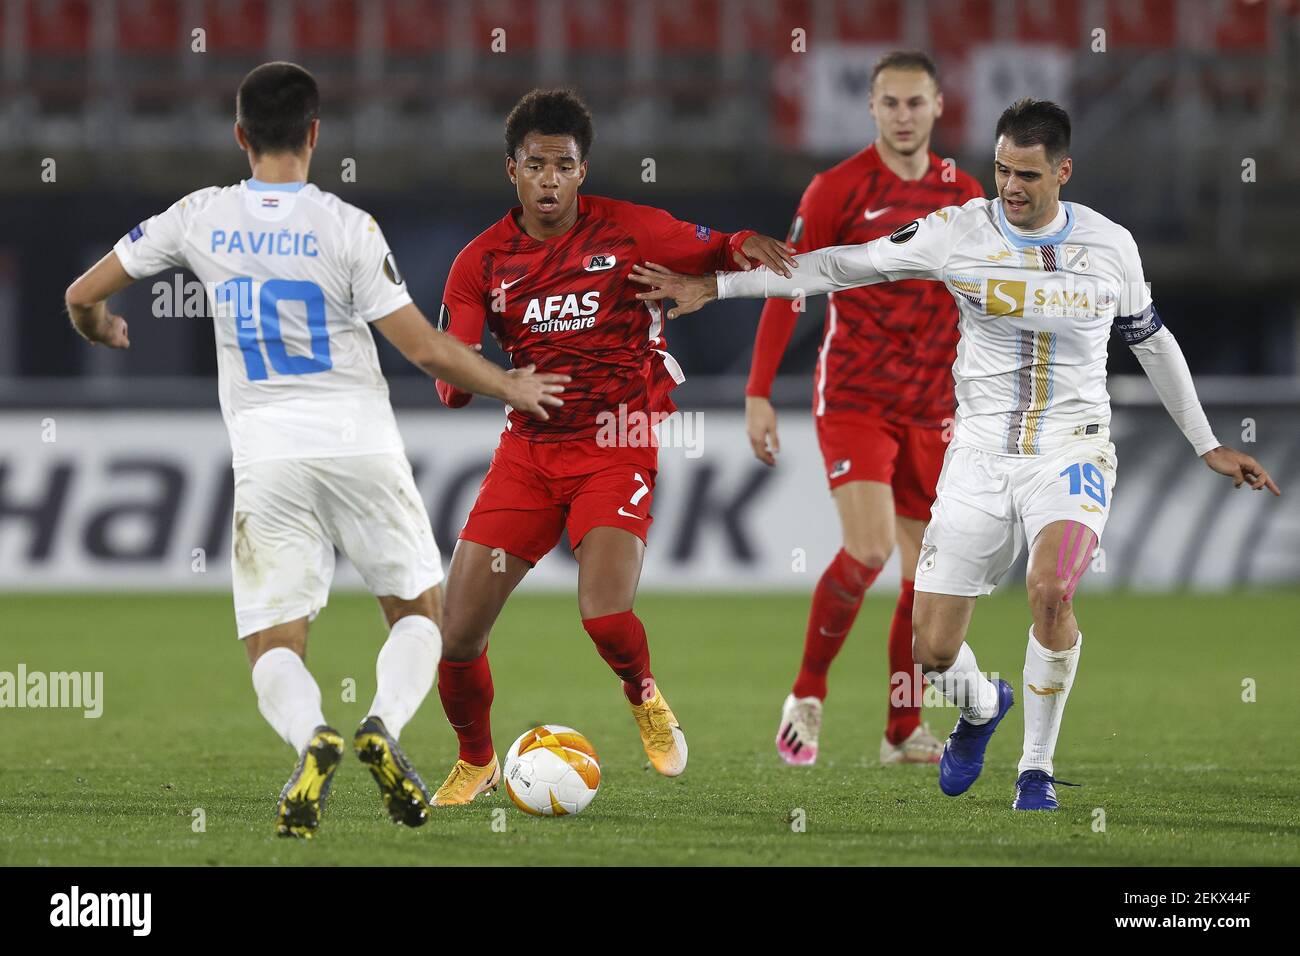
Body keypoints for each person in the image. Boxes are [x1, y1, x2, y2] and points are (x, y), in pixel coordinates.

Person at [629, 98, 1280, 810]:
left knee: (1052, 590)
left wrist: (1207, 442)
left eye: (1027, 174)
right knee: (932, 654)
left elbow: (1151, 340)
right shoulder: (957, 232)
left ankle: (1035, 769)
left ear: (1063, 172)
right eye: (1001, 170)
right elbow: (837, 267)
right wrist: (715, 284)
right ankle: (979, 705)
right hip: (974, 455)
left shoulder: (1110, 246)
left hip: (1072, 450)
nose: (1010, 187)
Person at [62, 62, 566, 837]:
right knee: (420, 614)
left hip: (266, 458)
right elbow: (427, 351)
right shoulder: (346, 226)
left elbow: (81, 295)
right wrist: (511, 385)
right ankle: (381, 725)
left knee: (273, 641)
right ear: (315, 134)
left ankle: (312, 739)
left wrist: (100, 326)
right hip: (359, 445)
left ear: (240, 135)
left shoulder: (198, 215)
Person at [430, 88, 796, 804]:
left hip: (616, 443)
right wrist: (500, 383)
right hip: (529, 458)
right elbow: (451, 377)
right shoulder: (480, 263)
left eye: (562, 166)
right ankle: (477, 759)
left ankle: (643, 694)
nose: (548, 180)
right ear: (513, 171)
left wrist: (740, 245)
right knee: (456, 636)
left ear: (582, 171)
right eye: (535, 165)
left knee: (603, 615)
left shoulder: (630, 230)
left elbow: (718, 248)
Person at [745, 50, 983, 767]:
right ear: (872, 108)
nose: (905, 116)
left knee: (926, 575)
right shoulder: (836, 189)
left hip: (932, 406)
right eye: (891, 103)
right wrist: (758, 390)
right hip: (854, 395)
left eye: (917, 102)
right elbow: (790, 285)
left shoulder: (966, 195)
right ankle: (806, 695)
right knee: (871, 549)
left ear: (940, 105)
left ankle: (902, 730)